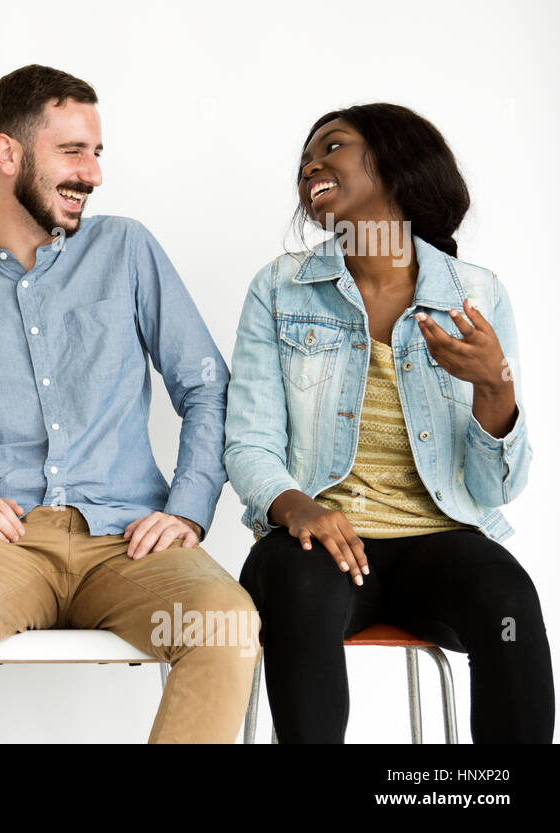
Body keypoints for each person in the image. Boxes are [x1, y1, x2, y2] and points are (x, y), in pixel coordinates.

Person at [0, 64, 258, 743]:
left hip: (127, 542)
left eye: (97, 154)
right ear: (7, 155)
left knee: (227, 620)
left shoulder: (126, 250)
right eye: (73, 152)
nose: (93, 173)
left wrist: (186, 507)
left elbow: (206, 383)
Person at [226, 103, 554, 743]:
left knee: (509, 599)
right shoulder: (281, 289)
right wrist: (297, 508)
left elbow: (495, 491)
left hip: (440, 544)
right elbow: (249, 442)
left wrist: (495, 384)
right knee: (299, 586)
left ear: (397, 164)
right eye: (303, 160)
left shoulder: (476, 296)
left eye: (333, 147)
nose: (310, 166)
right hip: (319, 542)